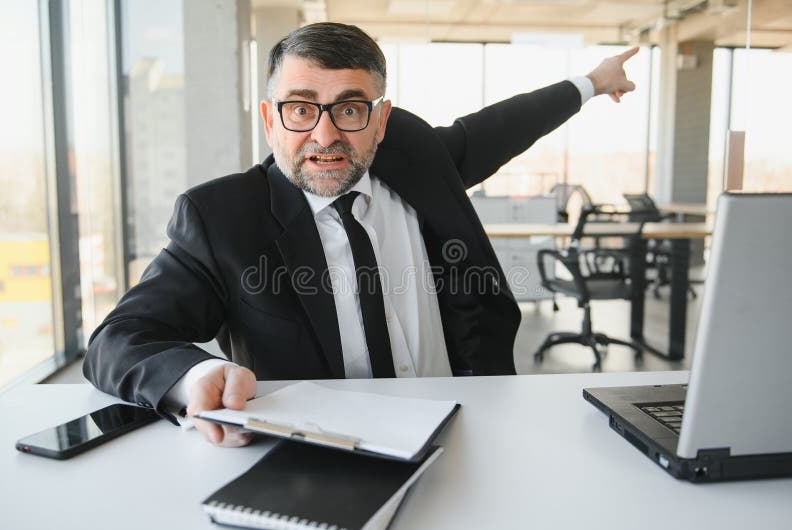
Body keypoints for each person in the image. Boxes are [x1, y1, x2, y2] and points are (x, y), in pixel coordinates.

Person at [83, 22, 637, 447]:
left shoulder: (416, 155)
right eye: (300, 108)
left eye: (349, 108)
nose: (324, 135)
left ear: (381, 118)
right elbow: (118, 339)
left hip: (472, 429)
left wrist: (591, 82)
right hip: (320, 454)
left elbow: (500, 126)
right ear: (270, 119)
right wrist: (196, 373)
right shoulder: (222, 216)